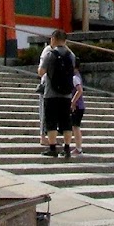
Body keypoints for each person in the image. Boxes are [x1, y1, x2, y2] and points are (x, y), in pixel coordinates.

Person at [37, 29, 77, 159]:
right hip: (66, 94)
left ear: (53, 39)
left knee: (51, 121)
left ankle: (53, 148)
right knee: (66, 122)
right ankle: (67, 148)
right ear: (65, 41)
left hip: (51, 93)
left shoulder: (50, 54)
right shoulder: (71, 56)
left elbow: (41, 72)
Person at [70, 75, 86, 155]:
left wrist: (73, 102)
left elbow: (80, 90)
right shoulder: (75, 78)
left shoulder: (74, 78)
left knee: (76, 126)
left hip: (77, 106)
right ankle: (78, 147)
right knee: (74, 126)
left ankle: (78, 148)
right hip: (78, 106)